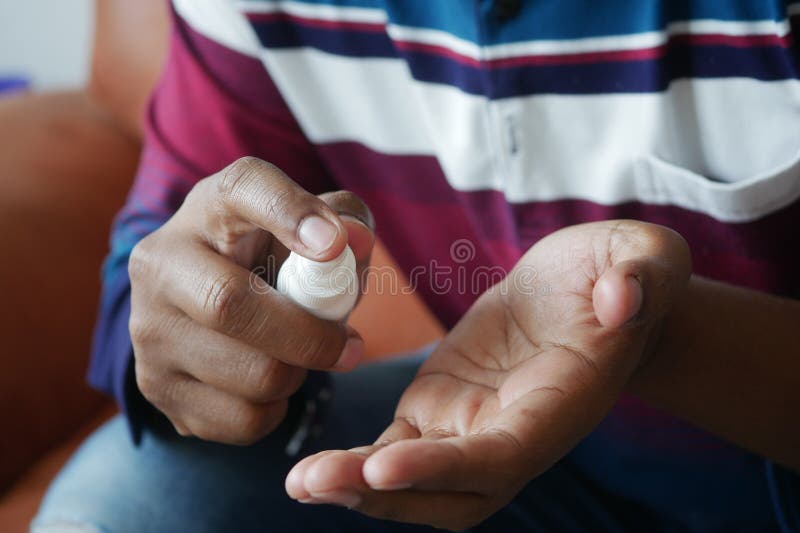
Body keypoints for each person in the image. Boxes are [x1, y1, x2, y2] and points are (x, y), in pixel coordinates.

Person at [32, 1, 800, 531]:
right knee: (131, 500)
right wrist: (196, 327)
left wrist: (655, 333)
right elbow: (152, 260)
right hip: (546, 465)